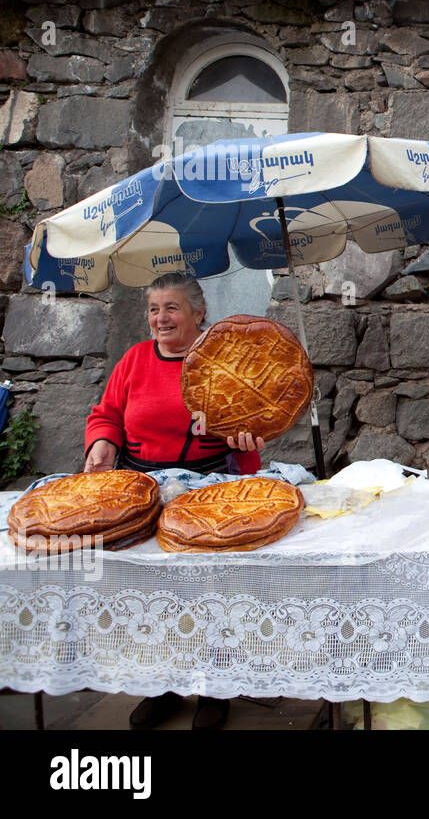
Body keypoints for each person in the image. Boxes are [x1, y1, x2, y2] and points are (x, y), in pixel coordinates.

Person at [84, 272, 266, 730]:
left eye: (171, 308)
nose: (160, 318)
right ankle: (159, 686)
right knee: (149, 591)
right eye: (153, 309)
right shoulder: (135, 360)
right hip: (138, 488)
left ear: (199, 313)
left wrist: (244, 443)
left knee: (207, 590)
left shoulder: (222, 362)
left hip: (207, 490)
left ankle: (213, 691)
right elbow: (106, 414)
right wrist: (100, 444)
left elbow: (246, 431)